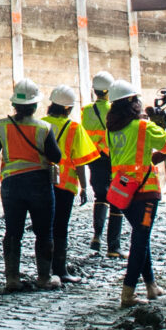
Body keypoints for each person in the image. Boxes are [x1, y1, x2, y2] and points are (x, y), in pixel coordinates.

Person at [0, 80, 62, 291]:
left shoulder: (3, 126)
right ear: (35, 106)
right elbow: (56, 157)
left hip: (12, 186)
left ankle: (12, 279)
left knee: (13, 232)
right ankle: (44, 278)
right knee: (44, 232)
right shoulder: (44, 128)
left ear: (15, 104)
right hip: (39, 184)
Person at [101, 79, 166, 306]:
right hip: (145, 193)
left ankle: (151, 286)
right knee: (140, 240)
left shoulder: (112, 131)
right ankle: (128, 293)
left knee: (140, 237)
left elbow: (131, 158)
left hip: (123, 194)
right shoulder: (143, 127)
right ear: (131, 102)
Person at [43, 84, 100, 282]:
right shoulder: (74, 128)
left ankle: (45, 271)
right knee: (60, 227)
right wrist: (84, 187)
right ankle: (60, 270)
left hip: (42, 184)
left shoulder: (40, 123)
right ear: (68, 108)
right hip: (65, 185)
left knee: (45, 227)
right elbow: (80, 162)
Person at [81, 72, 117, 255]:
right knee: (117, 198)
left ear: (94, 91)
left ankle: (97, 236)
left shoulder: (85, 110)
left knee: (100, 197)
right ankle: (114, 246)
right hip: (113, 157)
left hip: (94, 158)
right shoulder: (115, 109)